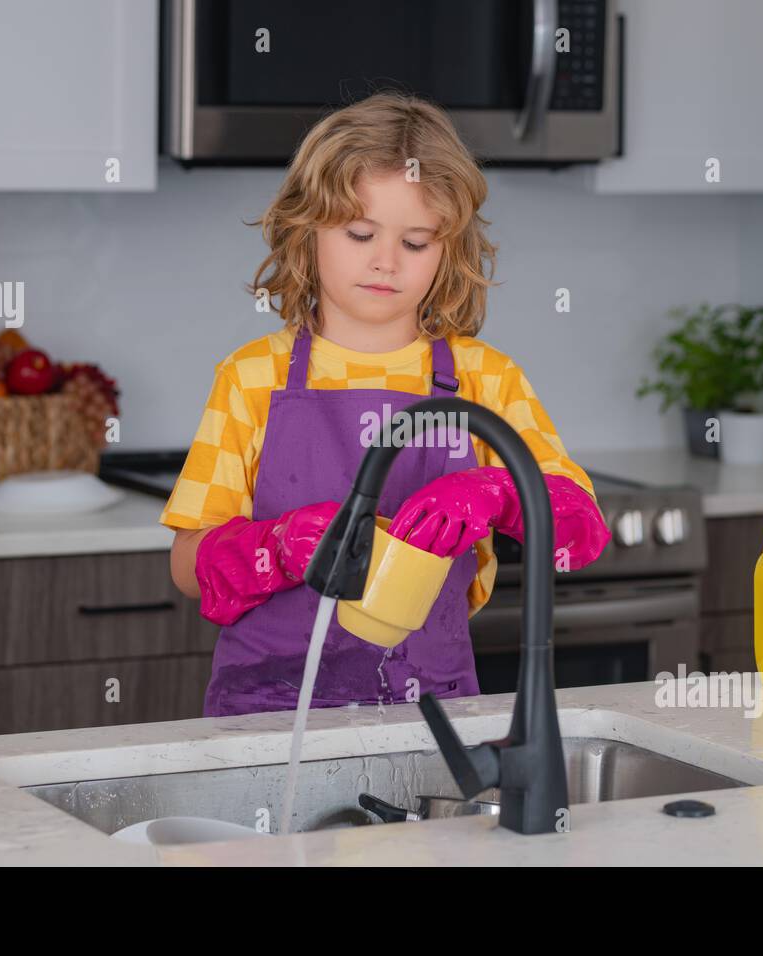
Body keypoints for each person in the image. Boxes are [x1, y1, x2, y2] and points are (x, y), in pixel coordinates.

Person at [161, 91, 611, 718]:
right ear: (306, 227)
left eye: (417, 242)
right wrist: (281, 546)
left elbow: (580, 534)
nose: (385, 262)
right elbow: (188, 568)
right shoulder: (253, 377)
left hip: (432, 710)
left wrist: (494, 491)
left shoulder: (486, 378)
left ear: (448, 252)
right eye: (360, 233)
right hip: (265, 711)